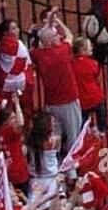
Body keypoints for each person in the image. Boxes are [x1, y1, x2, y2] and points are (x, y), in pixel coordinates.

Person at [30, 13, 82, 153]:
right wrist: (59, 21)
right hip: (69, 100)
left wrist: (40, 30)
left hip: (51, 103)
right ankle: (72, 170)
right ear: (49, 41)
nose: (59, 37)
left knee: (53, 136)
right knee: (74, 137)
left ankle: (53, 165)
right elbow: (70, 36)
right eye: (55, 36)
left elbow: (33, 48)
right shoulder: (61, 51)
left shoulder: (38, 55)